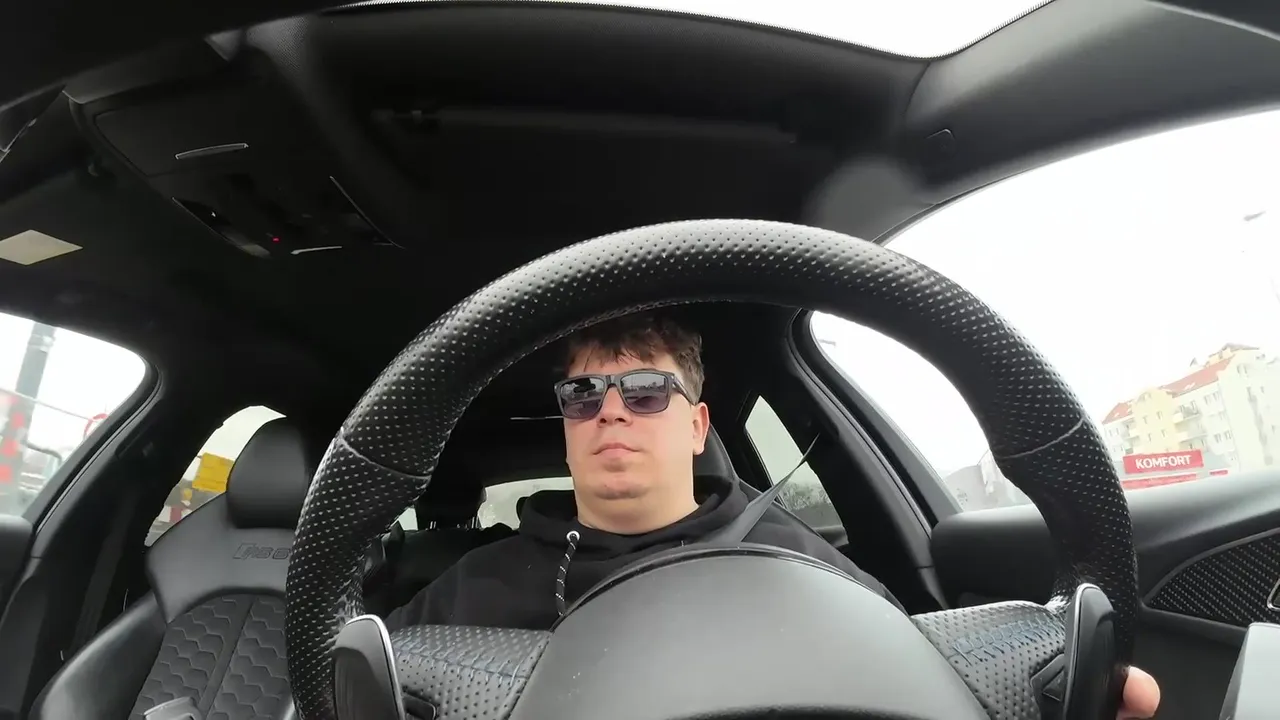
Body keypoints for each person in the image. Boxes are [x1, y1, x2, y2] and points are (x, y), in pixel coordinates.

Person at [383, 312, 1160, 719]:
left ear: (697, 426)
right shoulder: (472, 587)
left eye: (646, 391)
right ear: (566, 423)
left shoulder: (794, 560)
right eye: (583, 395)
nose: (610, 412)